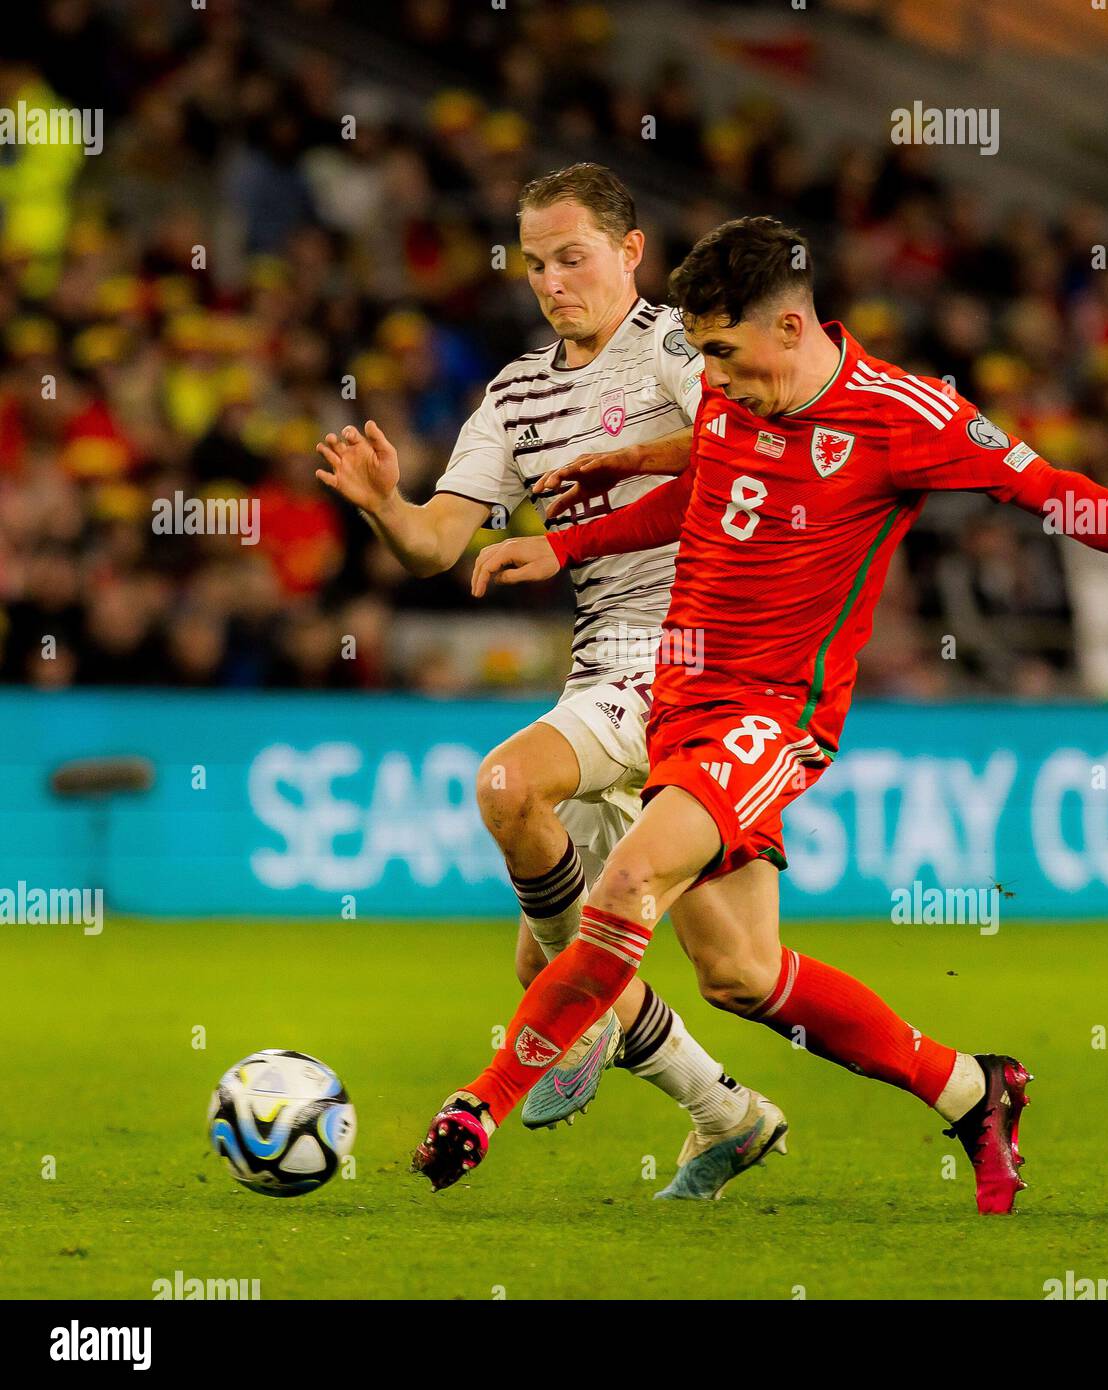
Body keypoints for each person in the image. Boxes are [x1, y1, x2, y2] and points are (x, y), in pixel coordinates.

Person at [415, 215, 1108, 1214]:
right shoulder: (732, 393)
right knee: (739, 975)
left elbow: (1039, 486)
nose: (709, 374)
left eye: (722, 351)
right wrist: (574, 537)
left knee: (626, 880)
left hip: (771, 714)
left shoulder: (903, 415)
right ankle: (973, 1089)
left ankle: (483, 1103)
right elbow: (709, 488)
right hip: (680, 699)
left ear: (790, 327)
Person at [315, 169, 787, 1201]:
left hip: (696, 659)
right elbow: (437, 544)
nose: (551, 281)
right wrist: (386, 506)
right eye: (534, 263)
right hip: (603, 669)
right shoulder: (515, 394)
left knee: (508, 787)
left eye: (572, 257)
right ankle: (729, 1115)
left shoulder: (676, 347)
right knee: (556, 974)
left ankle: (588, 1026)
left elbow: (744, 451)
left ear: (631, 251)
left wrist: (615, 481)